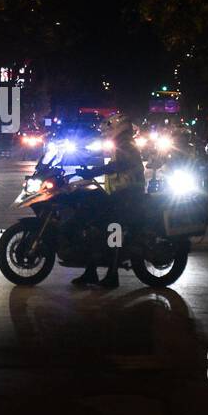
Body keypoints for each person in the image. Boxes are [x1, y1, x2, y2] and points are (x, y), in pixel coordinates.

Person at [72, 115, 146, 290]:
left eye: (109, 128)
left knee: (111, 230)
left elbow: (117, 166)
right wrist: (88, 168)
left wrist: (93, 172)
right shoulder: (121, 143)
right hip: (119, 193)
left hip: (128, 195)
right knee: (93, 226)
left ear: (118, 127)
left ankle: (112, 275)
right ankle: (91, 271)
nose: (106, 132)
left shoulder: (125, 143)